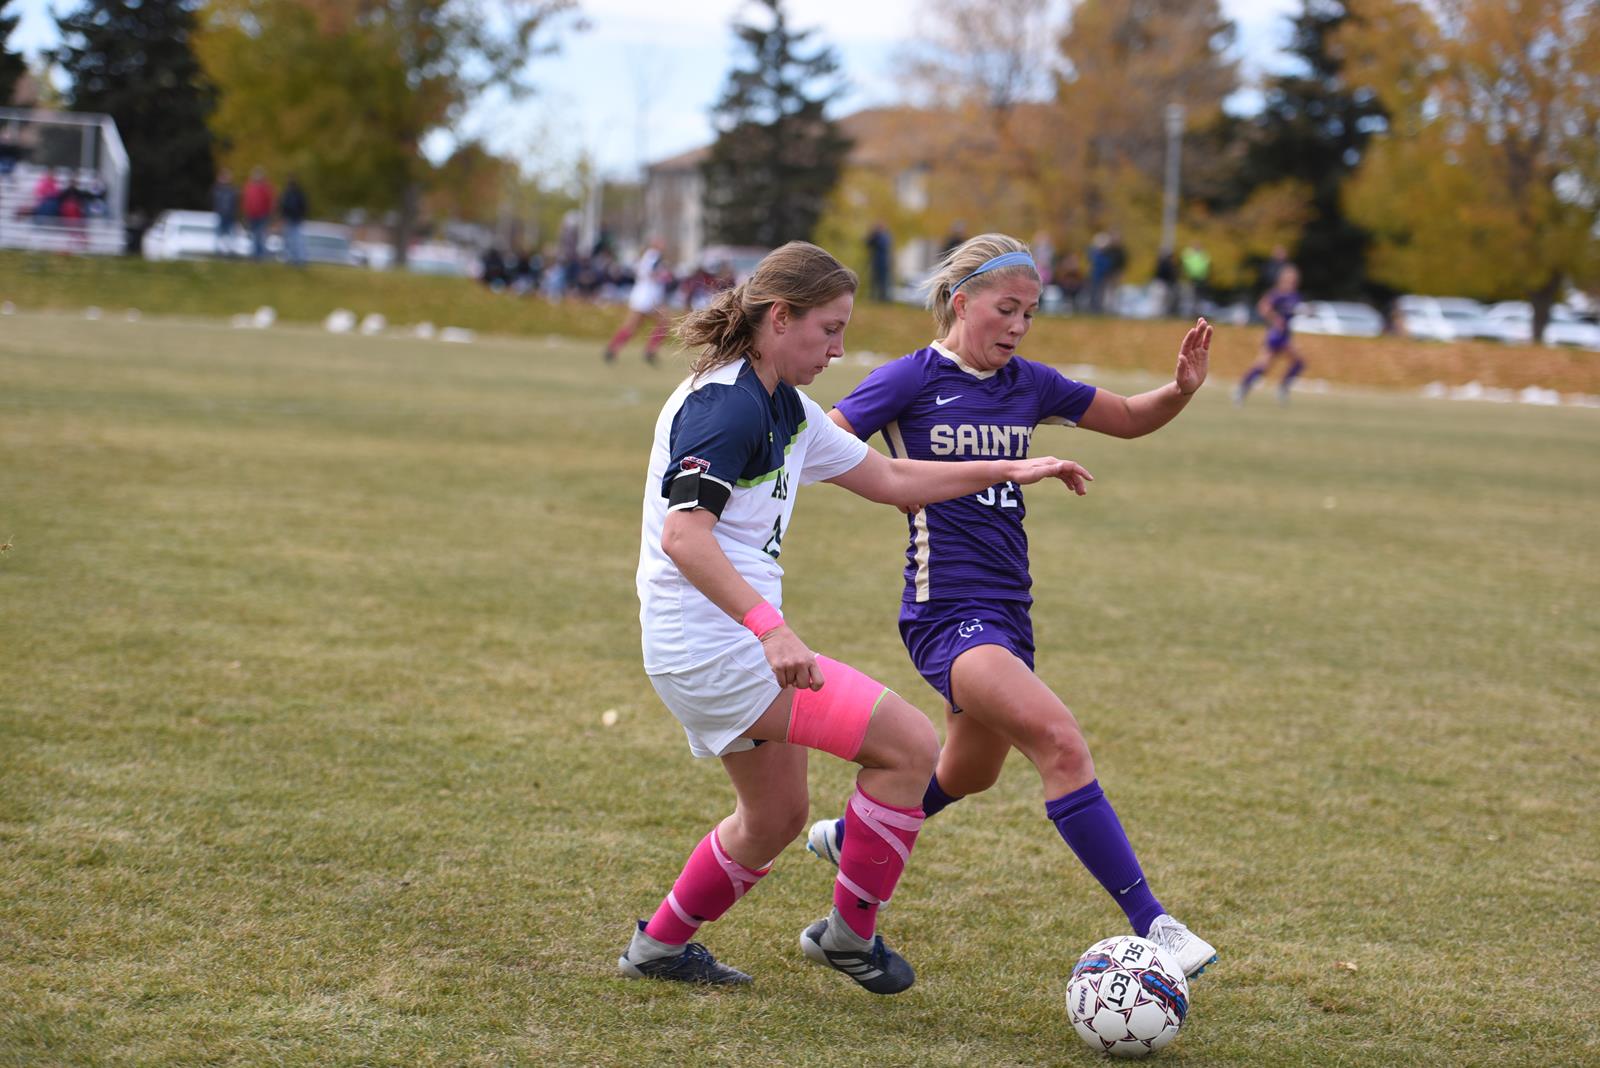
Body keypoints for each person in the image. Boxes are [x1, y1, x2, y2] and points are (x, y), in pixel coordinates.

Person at [623, 241, 1095, 992]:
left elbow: (890, 475)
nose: (839, 350)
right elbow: (684, 537)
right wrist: (769, 628)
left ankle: (658, 946)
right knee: (909, 746)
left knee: (776, 817)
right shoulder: (727, 405)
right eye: (829, 330)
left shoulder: (783, 403)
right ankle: (849, 936)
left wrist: (1011, 467)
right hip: (714, 646)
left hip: (713, 644)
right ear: (781, 318)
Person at [803, 233, 1220, 980]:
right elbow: (823, 448)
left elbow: (1126, 416)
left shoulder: (1027, 382)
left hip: (1008, 612)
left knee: (969, 771)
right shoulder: (910, 380)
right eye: (1007, 309)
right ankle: (1154, 923)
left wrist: (1181, 391)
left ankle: (856, 832)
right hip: (946, 610)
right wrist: (919, 477)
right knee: (1060, 743)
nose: (1020, 326)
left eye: (1030, 312)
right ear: (961, 303)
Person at [1235, 262, 1304, 405]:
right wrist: (1275, 319)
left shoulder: (1295, 296)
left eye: (1294, 277)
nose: (1292, 279)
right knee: (1263, 366)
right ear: (1283, 278)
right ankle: (1242, 387)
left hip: (1286, 335)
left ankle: (1282, 387)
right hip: (1275, 334)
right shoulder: (1277, 294)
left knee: (1299, 362)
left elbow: (1294, 311)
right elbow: (1263, 307)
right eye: (1289, 277)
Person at [603, 237, 672, 364]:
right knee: (662, 322)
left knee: (641, 325)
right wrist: (663, 276)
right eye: (661, 242)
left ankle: (614, 349)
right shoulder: (654, 256)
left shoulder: (651, 256)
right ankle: (648, 351)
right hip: (646, 297)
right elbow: (650, 273)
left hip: (647, 296)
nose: (664, 245)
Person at [242, 167, 274, 261]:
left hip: (262, 216)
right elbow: (246, 202)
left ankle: (260, 254)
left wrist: (269, 214)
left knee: (260, 235)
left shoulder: (265, 188)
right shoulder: (250, 187)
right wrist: (246, 213)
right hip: (252, 215)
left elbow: (270, 202)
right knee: (254, 235)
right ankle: (255, 254)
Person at [279, 176, 308, 267]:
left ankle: (298, 259)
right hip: (291, 219)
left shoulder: (294, 194)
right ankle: (293, 259)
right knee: (291, 241)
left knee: (296, 241)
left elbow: (303, 206)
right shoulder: (290, 194)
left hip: (295, 220)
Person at [212, 169, 239, 257]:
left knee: (229, 233)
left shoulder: (232, 190)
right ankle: (219, 250)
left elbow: (235, 202)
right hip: (221, 214)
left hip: (230, 215)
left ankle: (228, 250)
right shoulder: (217, 189)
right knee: (219, 233)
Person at [866, 222, 892, 303]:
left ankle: (883, 298)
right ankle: (873, 297)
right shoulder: (875, 236)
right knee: (874, 280)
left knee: (883, 281)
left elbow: (883, 245)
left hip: (883, 262)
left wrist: (877, 237)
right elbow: (867, 244)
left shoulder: (885, 236)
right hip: (875, 262)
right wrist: (872, 235)